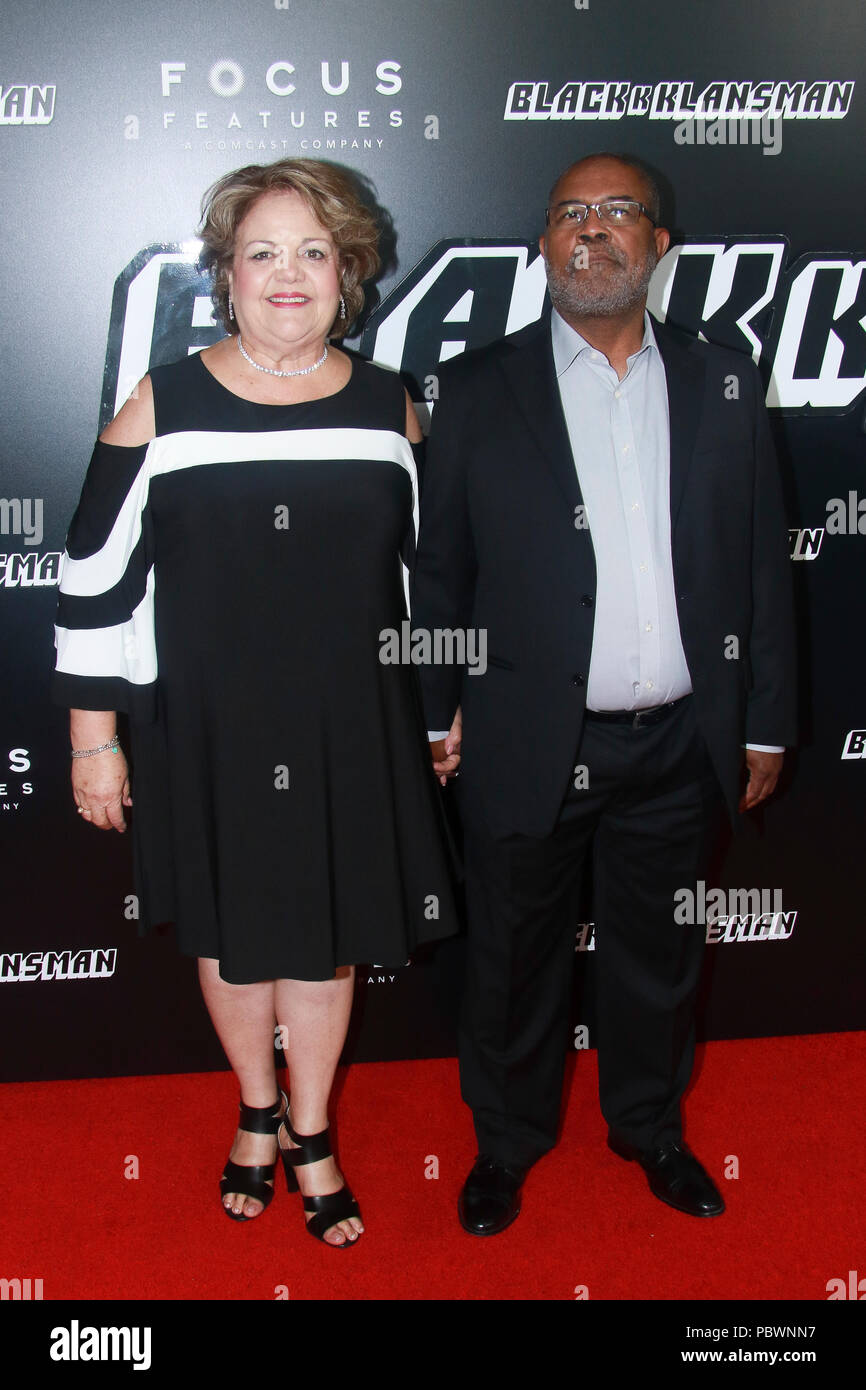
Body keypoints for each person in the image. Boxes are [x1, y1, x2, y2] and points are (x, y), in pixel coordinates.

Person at [53, 157, 457, 1246]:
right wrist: (95, 742)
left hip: (349, 729)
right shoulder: (164, 402)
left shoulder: (389, 405)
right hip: (211, 728)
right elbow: (93, 576)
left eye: (314, 252)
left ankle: (313, 1128)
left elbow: (428, 578)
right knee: (233, 937)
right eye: (263, 252)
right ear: (226, 275)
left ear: (349, 274)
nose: (289, 274)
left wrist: (437, 709)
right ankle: (255, 1108)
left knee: (322, 943)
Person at [412, 152, 796, 1234]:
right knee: (510, 960)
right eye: (568, 213)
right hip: (523, 737)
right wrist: (436, 702)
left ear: (656, 246)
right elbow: (438, 568)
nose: (592, 229)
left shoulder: (722, 380)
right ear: (543, 245)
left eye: (617, 211)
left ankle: (649, 1129)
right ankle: (505, 1144)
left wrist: (764, 718)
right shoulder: (478, 390)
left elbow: (762, 563)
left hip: (678, 745)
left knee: (657, 957)